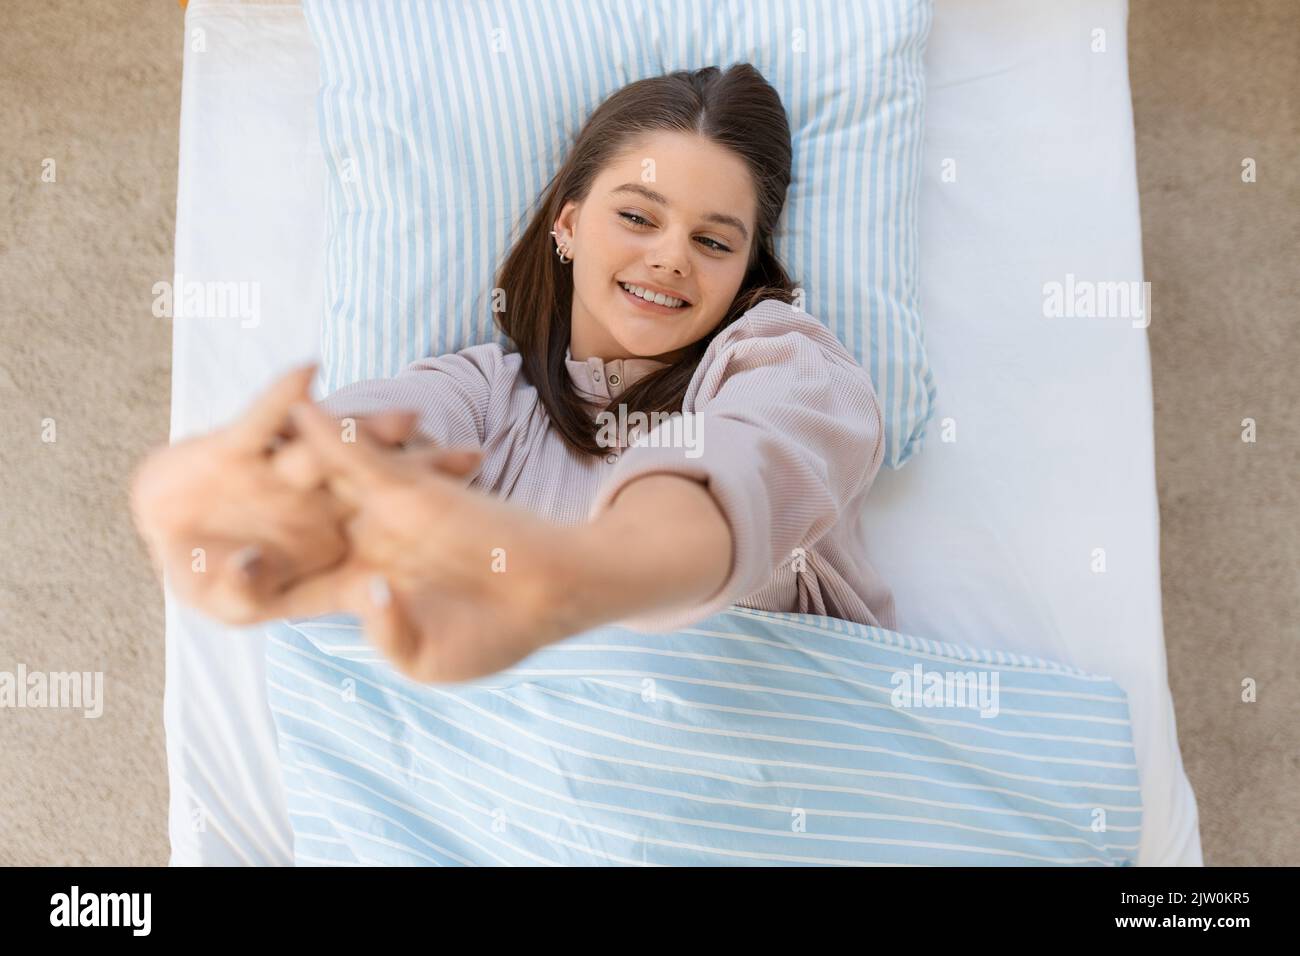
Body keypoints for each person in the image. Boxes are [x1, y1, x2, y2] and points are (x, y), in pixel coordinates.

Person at [130, 64, 895, 684]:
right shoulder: (483, 393)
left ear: (744, 274)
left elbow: (743, 463)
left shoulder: (786, 361)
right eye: (637, 216)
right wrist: (281, 485)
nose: (670, 257)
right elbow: (381, 429)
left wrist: (574, 578)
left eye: (714, 242)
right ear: (567, 225)